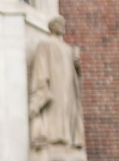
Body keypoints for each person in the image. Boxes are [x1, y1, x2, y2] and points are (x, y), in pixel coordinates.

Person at [28, 15, 85, 150]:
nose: (62, 27)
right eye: (59, 24)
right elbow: (41, 69)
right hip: (53, 86)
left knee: (66, 110)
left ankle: (67, 138)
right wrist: (41, 89)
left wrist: (77, 67)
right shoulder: (45, 44)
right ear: (53, 27)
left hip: (67, 88)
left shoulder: (67, 49)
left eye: (63, 24)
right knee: (54, 110)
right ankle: (52, 139)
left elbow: (74, 76)